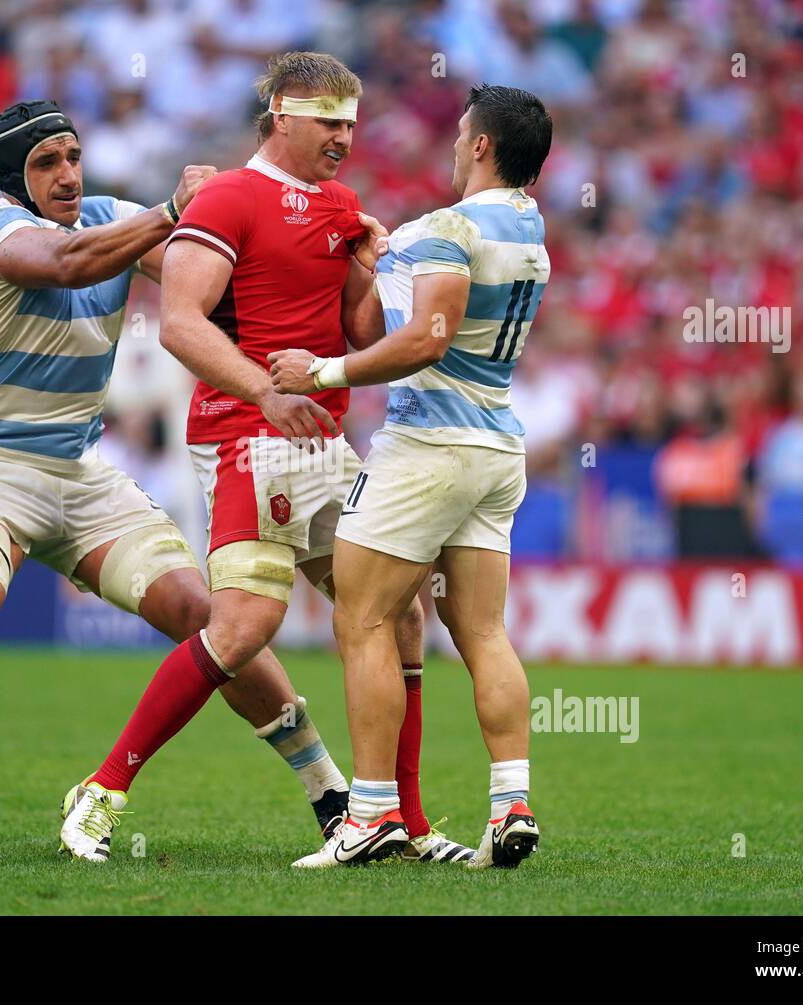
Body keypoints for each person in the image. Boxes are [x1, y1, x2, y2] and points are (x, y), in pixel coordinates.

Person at [0, 100, 352, 857]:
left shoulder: (113, 216)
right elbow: (68, 263)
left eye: (73, 156)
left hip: (81, 474)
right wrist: (175, 208)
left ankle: (333, 796)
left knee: (205, 612)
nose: (68, 174)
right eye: (47, 162)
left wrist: (307, 248)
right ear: (14, 178)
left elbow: (208, 286)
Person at [64, 53, 473, 866]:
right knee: (247, 623)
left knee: (401, 616)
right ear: (282, 115)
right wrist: (266, 391)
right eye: (329, 121)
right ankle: (104, 789)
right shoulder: (225, 198)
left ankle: (403, 825)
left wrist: (362, 270)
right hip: (246, 437)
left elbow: (357, 335)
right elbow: (180, 322)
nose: (345, 137)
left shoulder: (343, 204)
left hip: (321, 440)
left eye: (352, 123)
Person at [270, 85, 553, 868]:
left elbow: (428, 339)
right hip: (497, 447)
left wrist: (321, 371)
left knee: (361, 617)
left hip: (430, 446)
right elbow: (453, 312)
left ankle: (369, 815)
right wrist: (391, 258)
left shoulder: (450, 226)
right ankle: (511, 804)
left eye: (464, 133)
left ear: (484, 146)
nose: (457, 142)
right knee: (484, 631)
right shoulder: (530, 229)